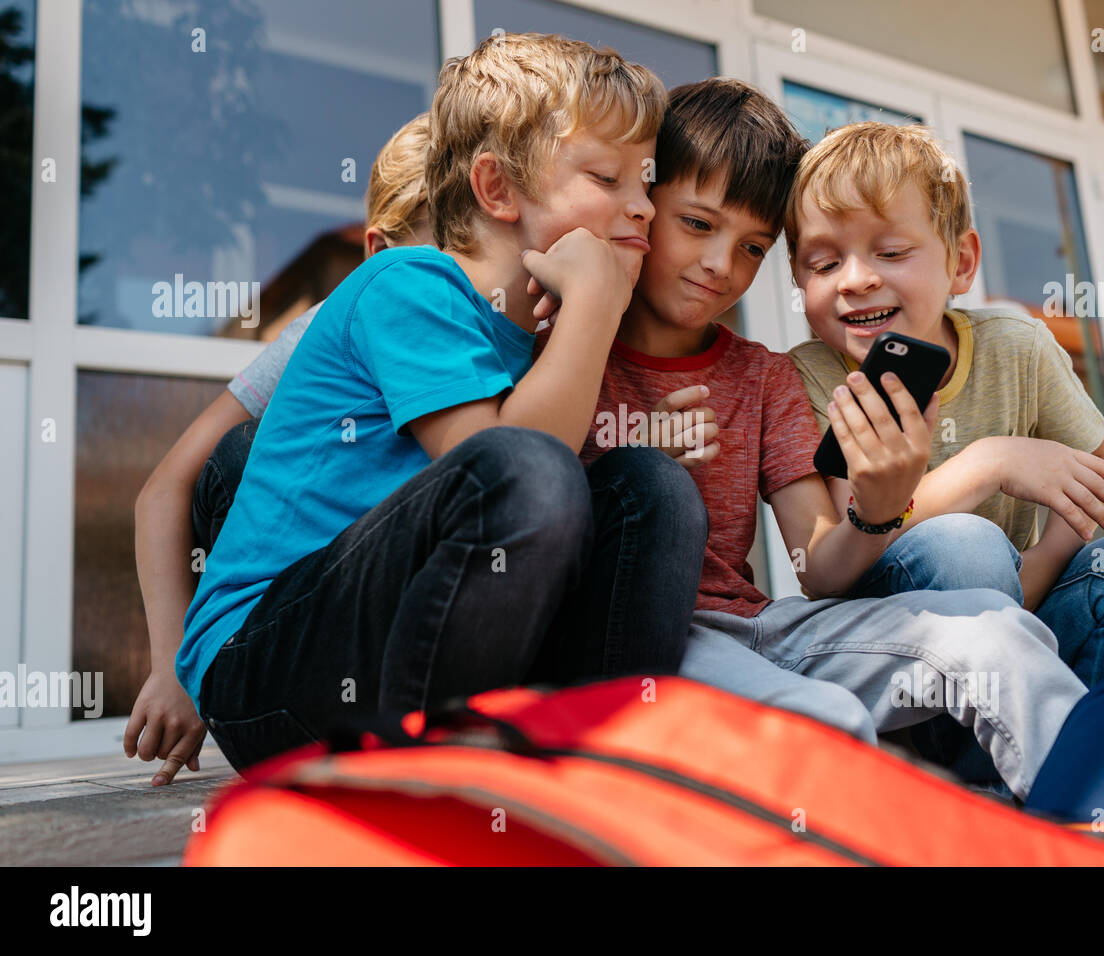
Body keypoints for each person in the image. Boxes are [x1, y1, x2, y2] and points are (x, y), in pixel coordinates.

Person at [164, 33, 710, 776]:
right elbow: (513, 467)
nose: (642, 207)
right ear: (497, 189)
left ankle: (601, 763)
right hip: (263, 663)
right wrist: (597, 305)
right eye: (607, 177)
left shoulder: (543, 333)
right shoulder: (410, 282)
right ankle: (440, 784)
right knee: (524, 471)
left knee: (653, 488)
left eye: (645, 183)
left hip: (403, 644)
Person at [538, 78, 1091, 800]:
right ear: (645, 208)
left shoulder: (765, 378)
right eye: (698, 225)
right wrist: (628, 461)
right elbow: (519, 500)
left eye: (752, 247)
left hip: (765, 625)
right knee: (825, 721)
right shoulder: (570, 339)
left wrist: (878, 505)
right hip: (653, 632)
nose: (718, 265)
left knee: (998, 638)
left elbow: (820, 567)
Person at [784, 121, 1104, 777]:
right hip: (906, 650)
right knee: (963, 544)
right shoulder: (814, 375)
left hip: (1024, 611)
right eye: (823, 263)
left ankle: (1080, 756)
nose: (855, 280)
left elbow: (1103, 486)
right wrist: (993, 463)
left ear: (961, 261)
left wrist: (1029, 578)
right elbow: (848, 538)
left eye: (891, 252)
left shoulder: (1017, 343)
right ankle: (984, 775)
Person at [128, 111, 436, 785]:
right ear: (378, 254)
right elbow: (164, 490)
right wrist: (174, 666)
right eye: (439, 263)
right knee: (236, 453)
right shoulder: (326, 328)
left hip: (405, 592)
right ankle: (253, 666)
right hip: (302, 612)